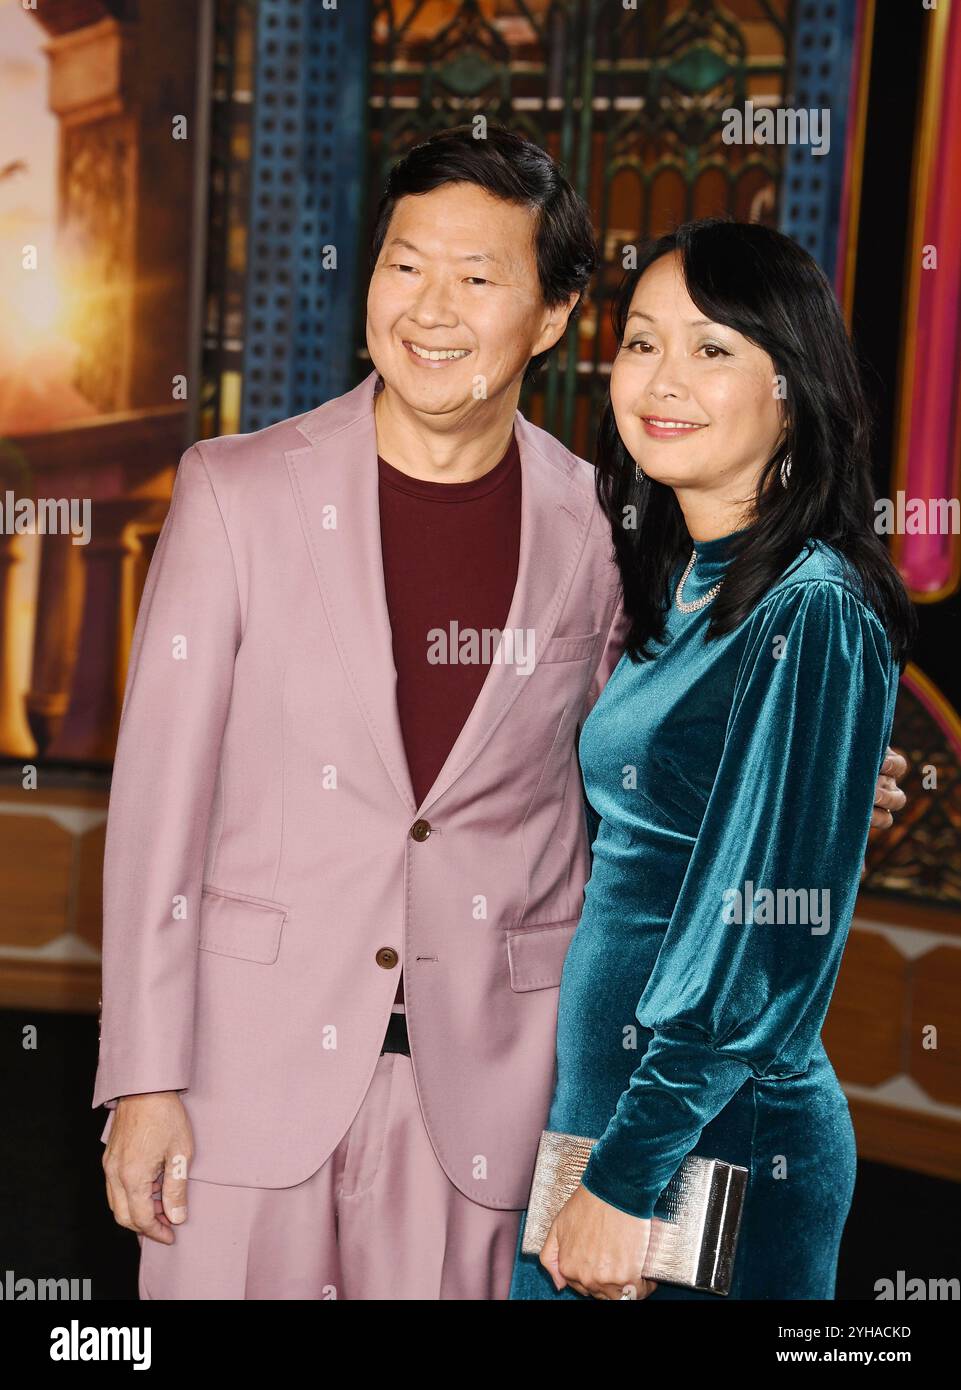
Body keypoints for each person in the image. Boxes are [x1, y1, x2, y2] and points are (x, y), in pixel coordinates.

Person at [94, 128, 906, 1300]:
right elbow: (154, 810)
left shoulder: (606, 526)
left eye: (478, 277)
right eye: (404, 264)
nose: (431, 307)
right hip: (237, 1087)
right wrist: (143, 1075)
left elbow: (632, 781)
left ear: (554, 313)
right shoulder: (235, 489)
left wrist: (828, 793)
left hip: (495, 1098)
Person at [509, 218, 916, 1303]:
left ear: (790, 385)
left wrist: (628, 1178)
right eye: (640, 342)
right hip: (615, 1109)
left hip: (708, 1132)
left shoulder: (812, 604)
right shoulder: (685, 581)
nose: (661, 378)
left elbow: (756, 932)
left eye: (711, 348)